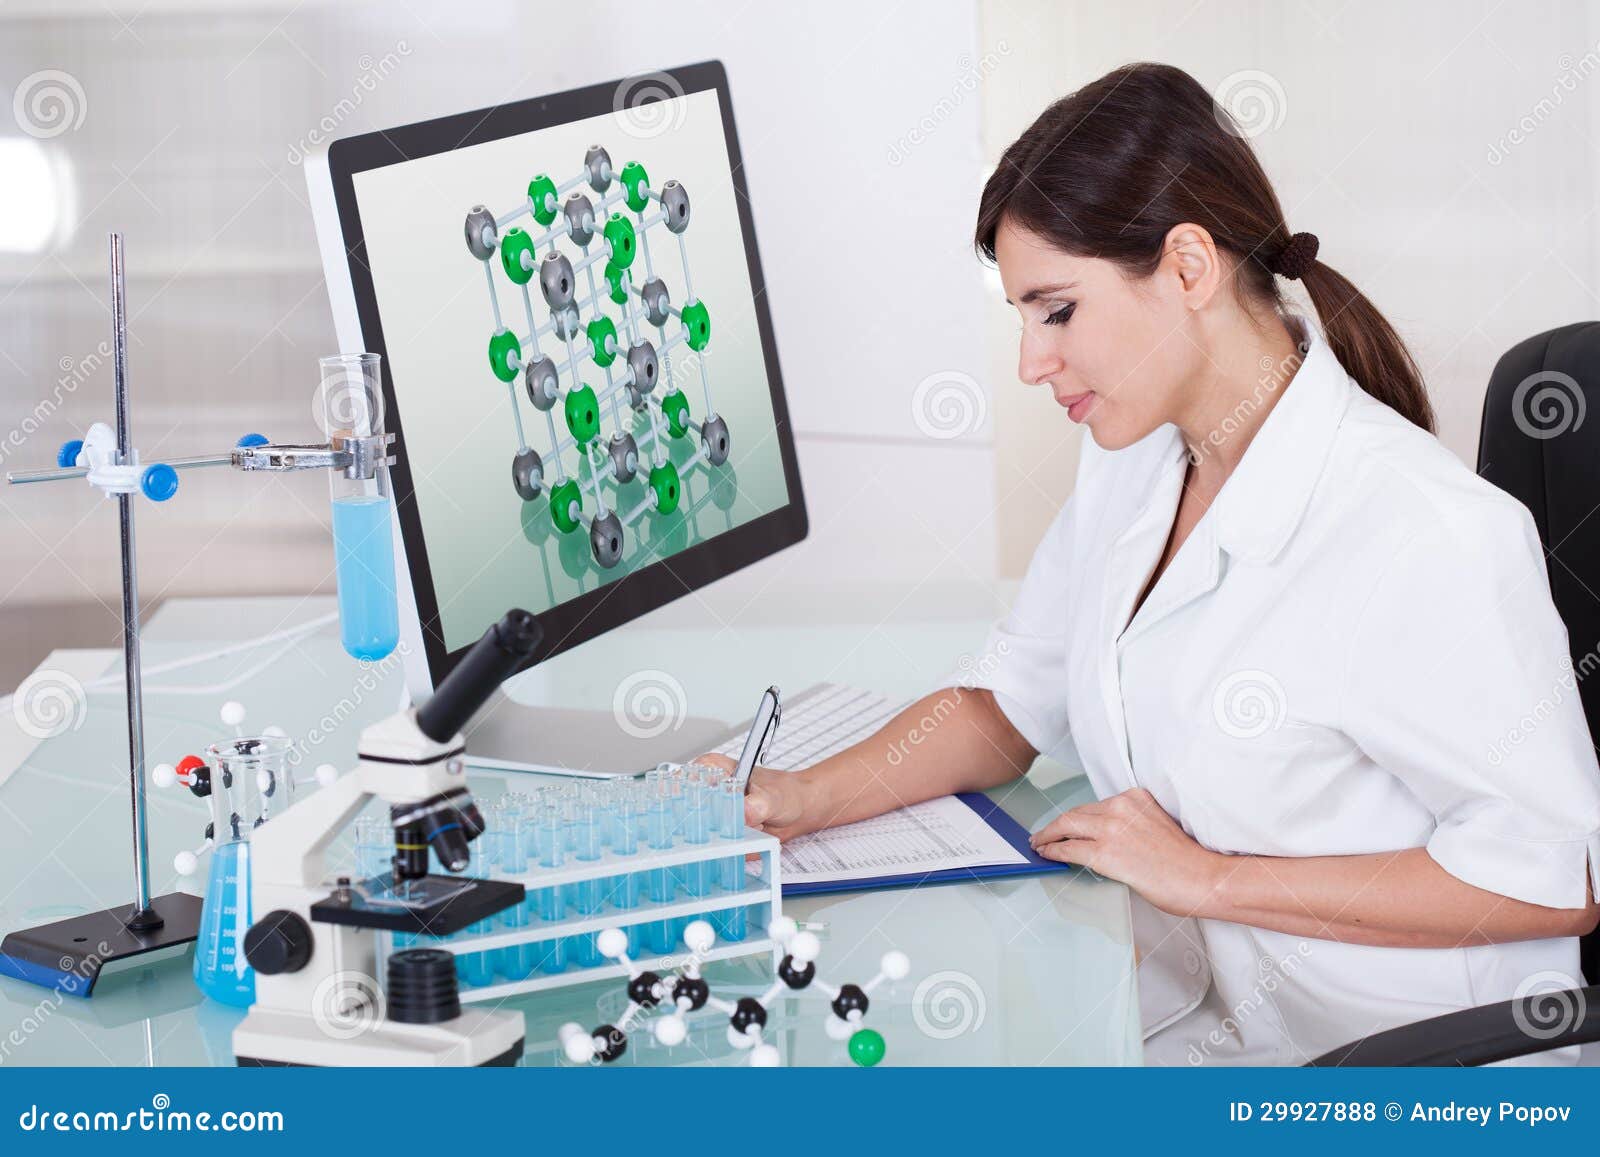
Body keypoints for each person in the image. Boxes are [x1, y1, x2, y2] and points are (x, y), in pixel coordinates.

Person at [698, 62, 1600, 1065]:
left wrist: (1210, 876)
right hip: (1204, 1030)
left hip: (1410, 1070)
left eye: (1056, 310)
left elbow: (1547, 882)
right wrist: (800, 796)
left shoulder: (1427, 531)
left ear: (1187, 267)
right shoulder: (1136, 459)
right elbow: (1008, 704)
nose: (1032, 363)